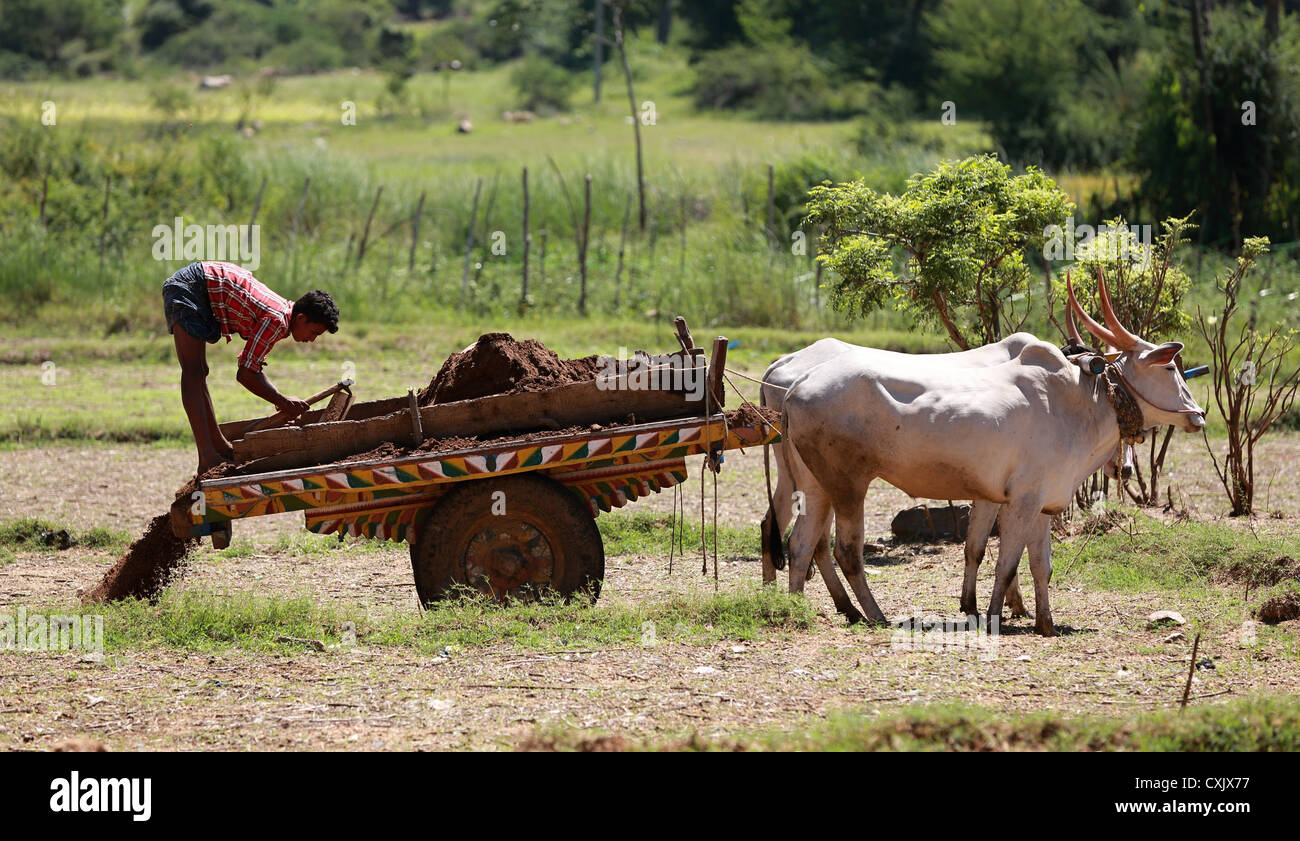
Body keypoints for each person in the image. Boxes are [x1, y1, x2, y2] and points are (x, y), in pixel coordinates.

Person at [161, 261, 339, 475]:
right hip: (190, 287)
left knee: (200, 372)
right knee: (193, 372)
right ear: (301, 319)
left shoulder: (282, 313)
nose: (312, 339)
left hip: (200, 286)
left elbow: (251, 368)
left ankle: (219, 446)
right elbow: (245, 374)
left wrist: (282, 400)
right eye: (314, 332)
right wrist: (282, 401)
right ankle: (207, 456)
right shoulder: (277, 320)